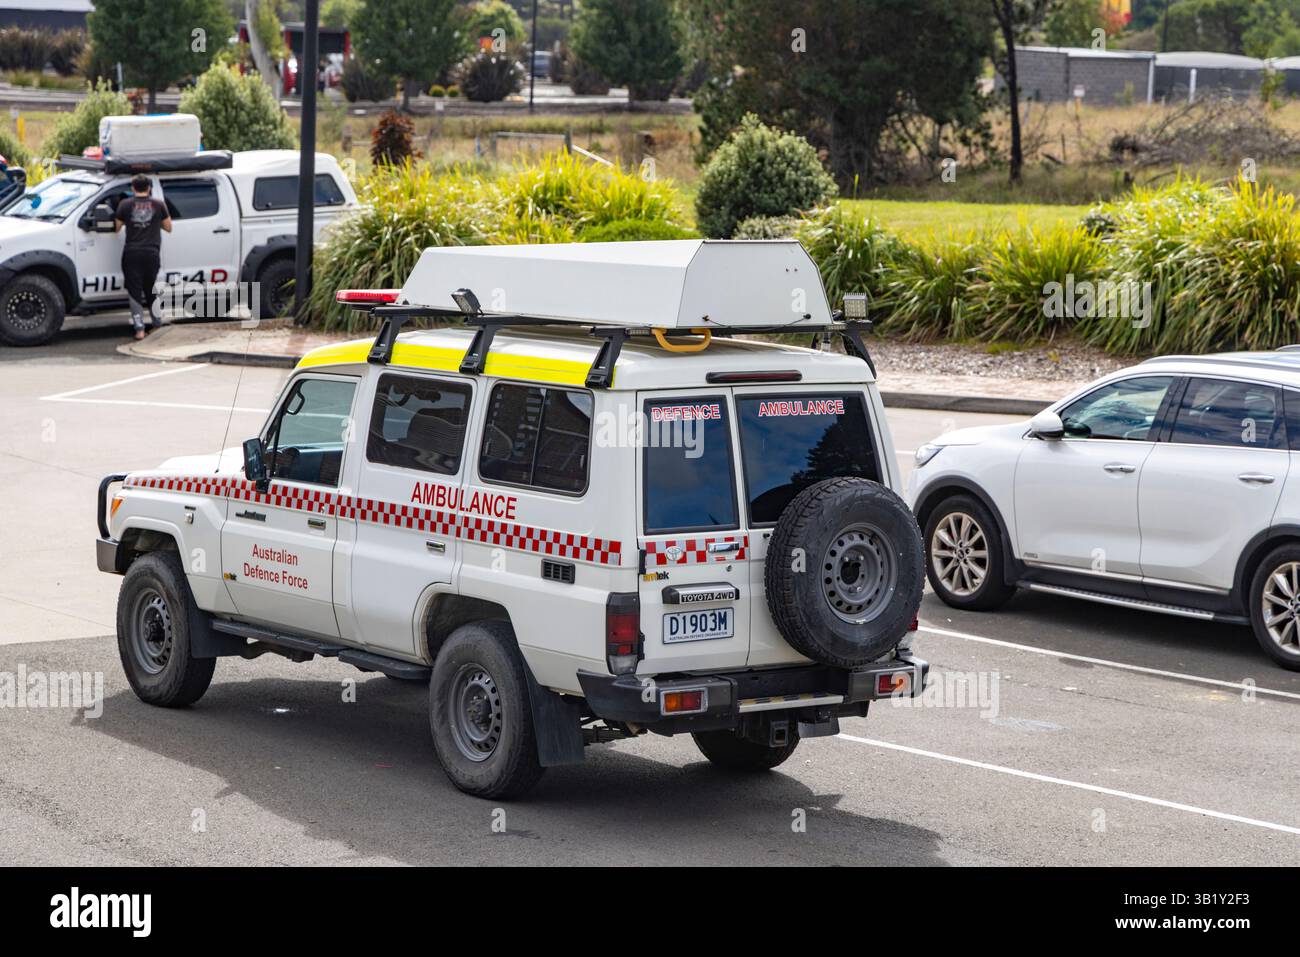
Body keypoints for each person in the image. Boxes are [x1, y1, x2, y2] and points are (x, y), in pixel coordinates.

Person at [114, 174, 171, 341]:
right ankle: (157, 324)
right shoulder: (159, 205)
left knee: (134, 291)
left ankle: (139, 329)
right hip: (152, 253)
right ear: (149, 188)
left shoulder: (125, 205)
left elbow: (116, 228)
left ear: (133, 188)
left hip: (132, 253)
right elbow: (168, 227)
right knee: (150, 288)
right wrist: (155, 222)